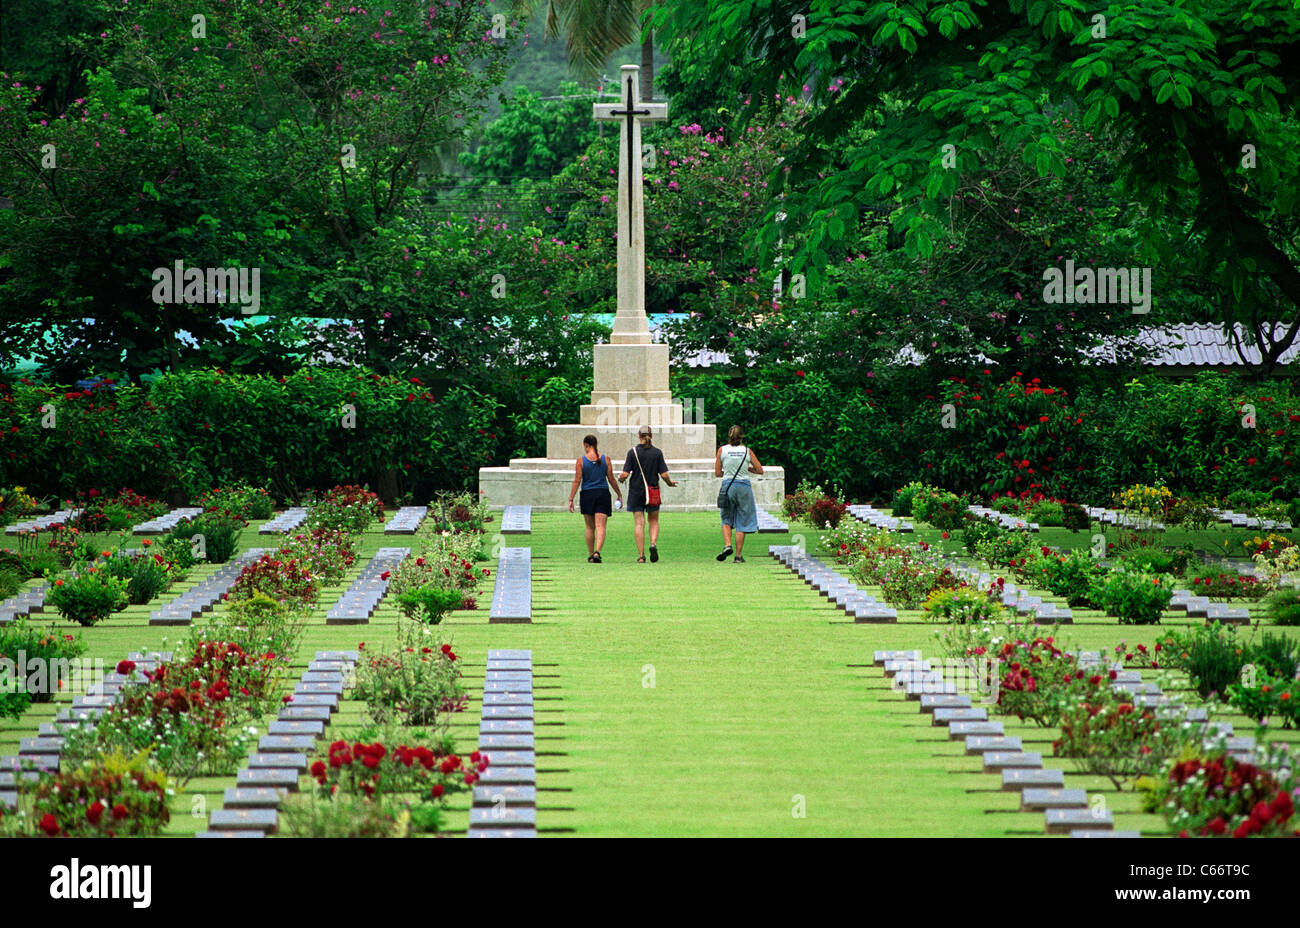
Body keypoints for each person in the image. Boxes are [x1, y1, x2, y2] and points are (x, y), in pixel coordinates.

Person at [617, 425, 678, 563]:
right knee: (654, 520)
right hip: (653, 491)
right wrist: (670, 483)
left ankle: (641, 556)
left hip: (636, 491)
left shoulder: (632, 453)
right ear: (651, 436)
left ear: (639, 436)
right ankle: (653, 543)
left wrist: (621, 478)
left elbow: (625, 474)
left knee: (639, 523)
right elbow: (663, 474)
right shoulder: (657, 453)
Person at [568, 434, 622, 563]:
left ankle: (591, 553)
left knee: (589, 527)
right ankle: (597, 551)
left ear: (586, 445)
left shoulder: (581, 461)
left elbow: (577, 480)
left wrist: (571, 499)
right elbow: (611, 479)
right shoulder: (606, 459)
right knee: (601, 526)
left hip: (587, 494)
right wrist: (619, 494)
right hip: (602, 493)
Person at [715, 425, 763, 563]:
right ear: (742, 437)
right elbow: (759, 470)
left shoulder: (722, 450)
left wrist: (728, 472)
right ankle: (738, 555)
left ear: (729, 436)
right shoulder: (747, 451)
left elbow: (718, 473)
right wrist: (746, 469)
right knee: (742, 521)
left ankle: (727, 545)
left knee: (726, 519)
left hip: (727, 486)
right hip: (743, 487)